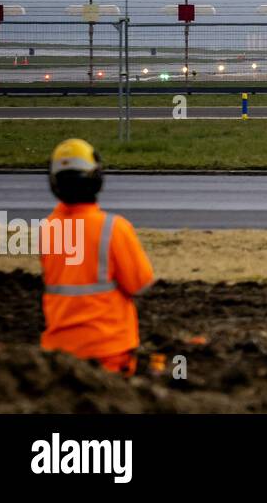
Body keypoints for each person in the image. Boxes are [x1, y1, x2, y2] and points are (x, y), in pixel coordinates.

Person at [40, 138, 154, 375]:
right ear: (96, 179)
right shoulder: (113, 228)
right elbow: (140, 284)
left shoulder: (48, 229)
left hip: (59, 354)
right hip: (108, 351)